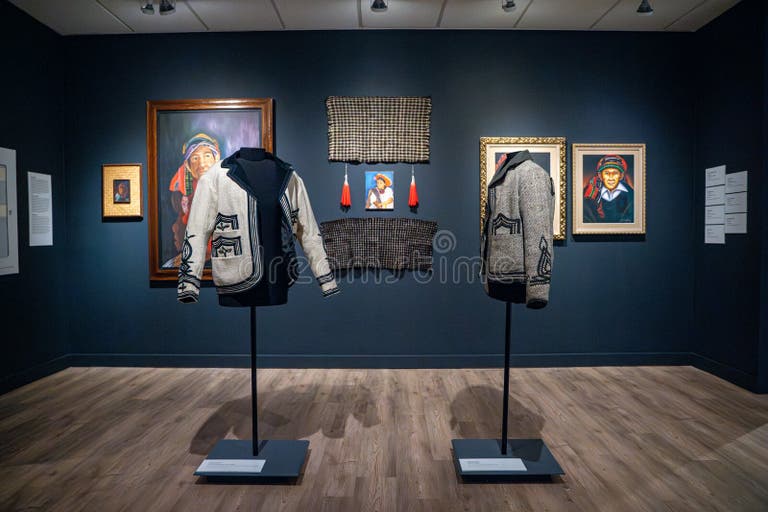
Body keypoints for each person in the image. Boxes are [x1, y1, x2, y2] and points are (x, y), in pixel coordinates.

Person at [163, 133, 220, 268]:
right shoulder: (183, 193)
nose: (202, 163)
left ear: (216, 158)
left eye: (207, 155)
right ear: (188, 165)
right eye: (195, 158)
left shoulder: (226, 187)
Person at [583, 154, 634, 223]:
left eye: (615, 173)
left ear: (621, 176)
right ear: (600, 176)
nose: (611, 177)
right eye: (606, 173)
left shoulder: (631, 196)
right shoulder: (590, 195)